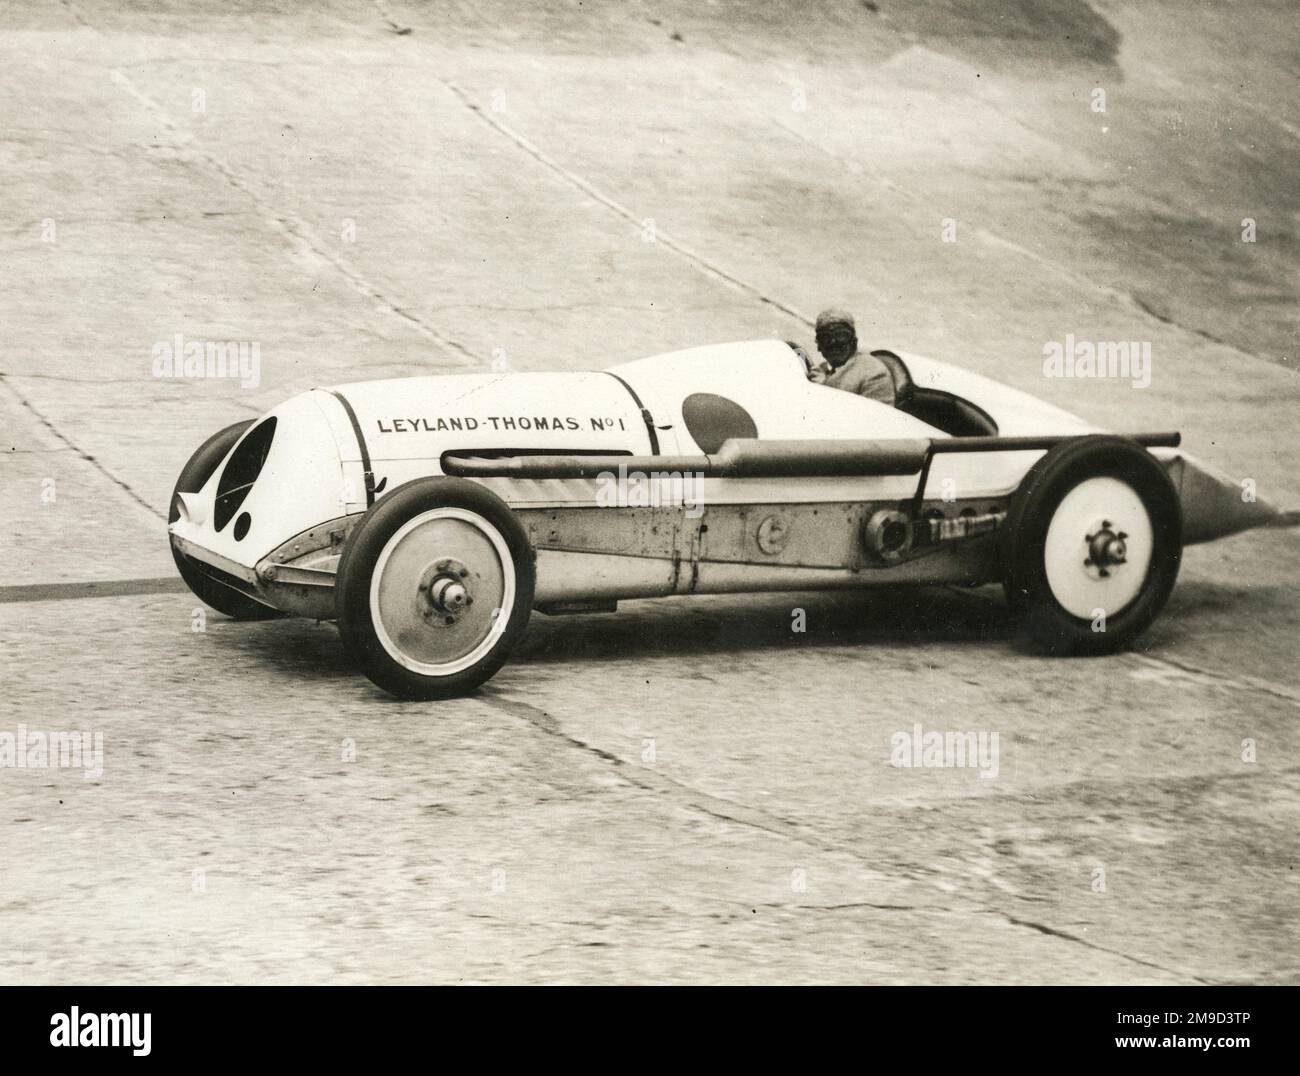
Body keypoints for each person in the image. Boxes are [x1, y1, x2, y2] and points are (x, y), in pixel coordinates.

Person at [806, 308, 895, 405]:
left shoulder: (873, 372)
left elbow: (873, 417)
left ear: (854, 341)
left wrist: (825, 386)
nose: (833, 342)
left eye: (841, 336)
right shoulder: (820, 370)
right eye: (825, 337)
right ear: (819, 345)